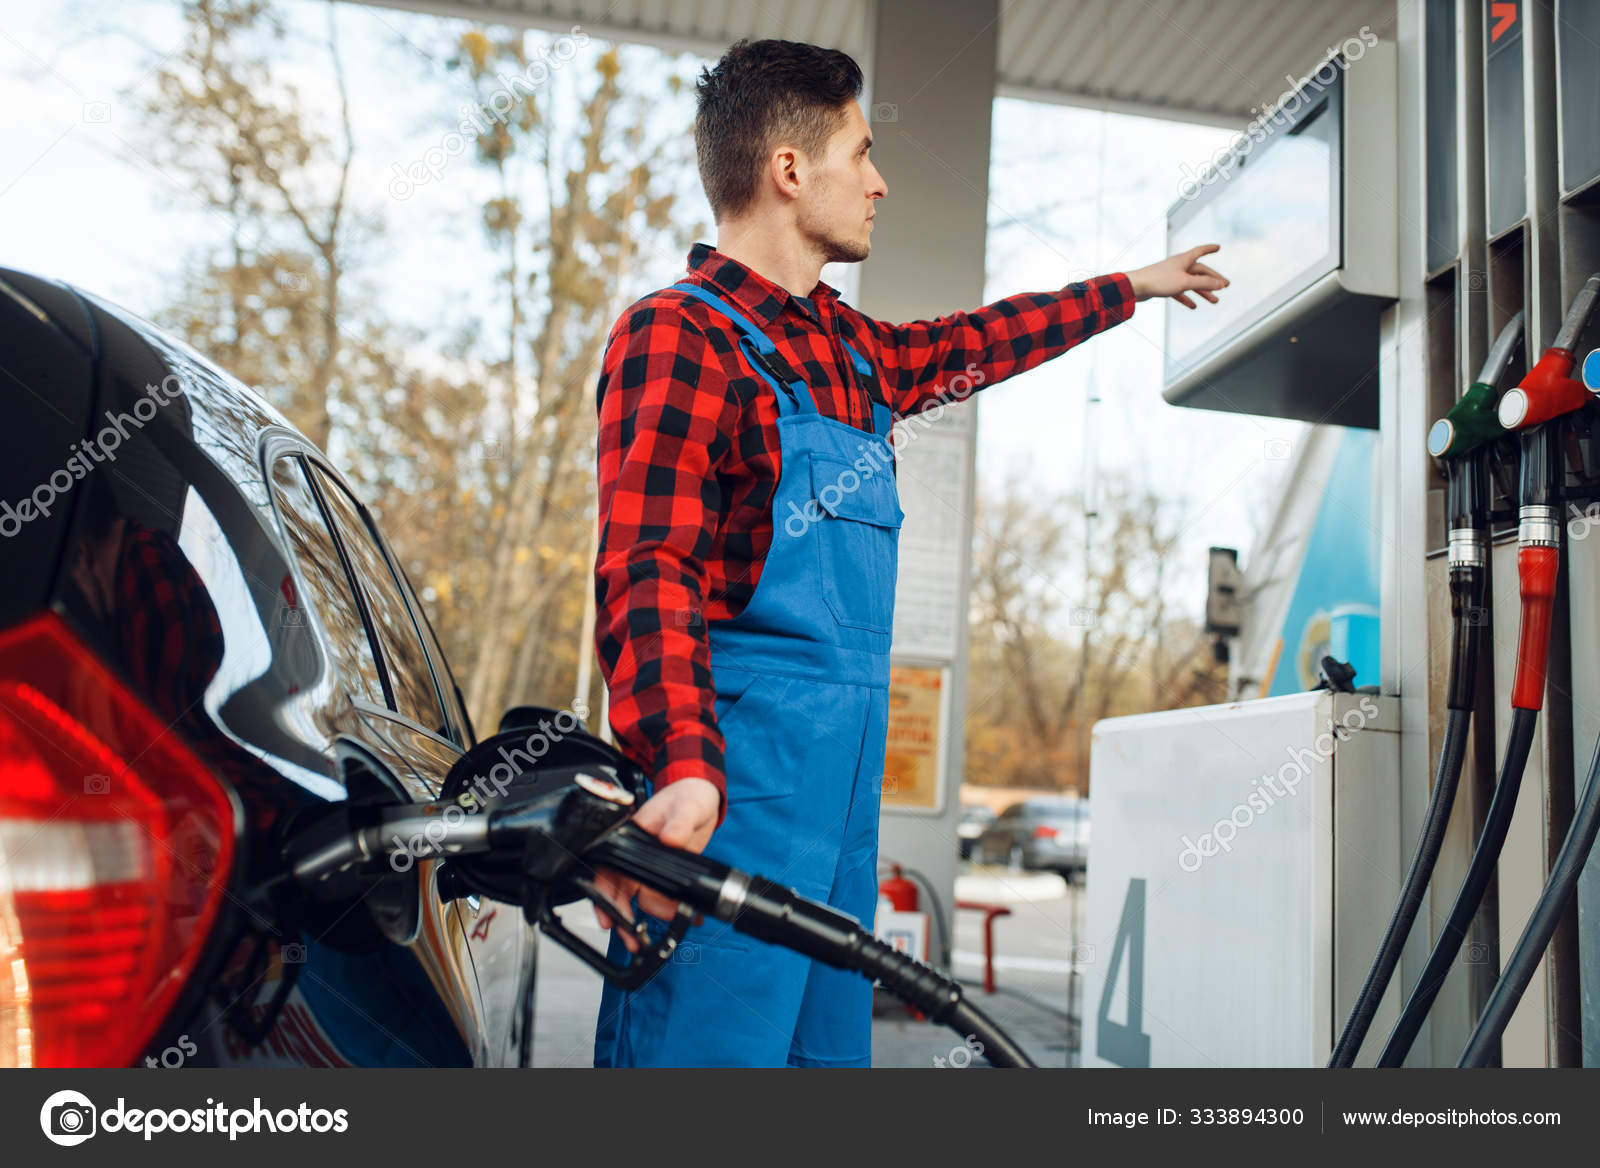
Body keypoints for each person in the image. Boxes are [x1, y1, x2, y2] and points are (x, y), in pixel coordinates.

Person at [589, 38, 1227, 1067]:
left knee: (822, 1065)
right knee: (704, 1056)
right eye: (862, 151)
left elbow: (984, 339)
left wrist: (1130, 288)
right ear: (790, 171)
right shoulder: (678, 335)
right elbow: (646, 565)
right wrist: (683, 765)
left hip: (839, 804)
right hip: (729, 798)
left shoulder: (851, 354)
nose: (880, 181)